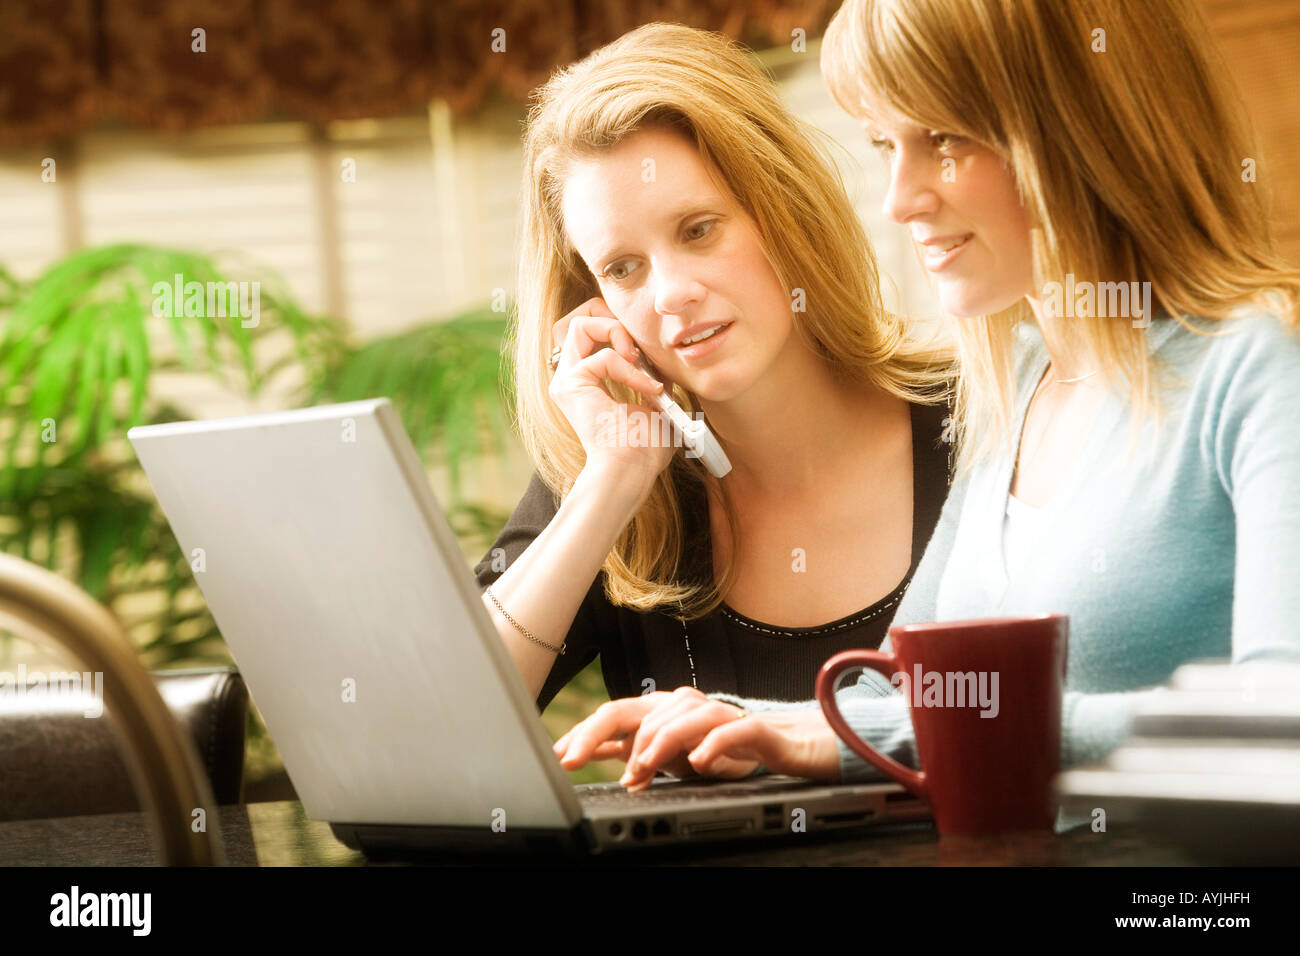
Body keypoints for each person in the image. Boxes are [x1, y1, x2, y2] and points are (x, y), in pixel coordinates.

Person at [552, 0, 1300, 816]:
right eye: (884, 146)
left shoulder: (1258, 370)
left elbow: (1281, 729)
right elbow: (907, 702)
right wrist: (742, 721)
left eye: (942, 141)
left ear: (1075, 130)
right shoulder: (1018, 380)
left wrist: (966, 725)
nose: (899, 200)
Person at [473, 22, 955, 714]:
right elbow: (439, 739)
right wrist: (608, 486)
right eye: (622, 268)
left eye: (698, 230)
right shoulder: (615, 484)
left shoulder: (984, 421)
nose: (670, 294)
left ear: (786, 211)